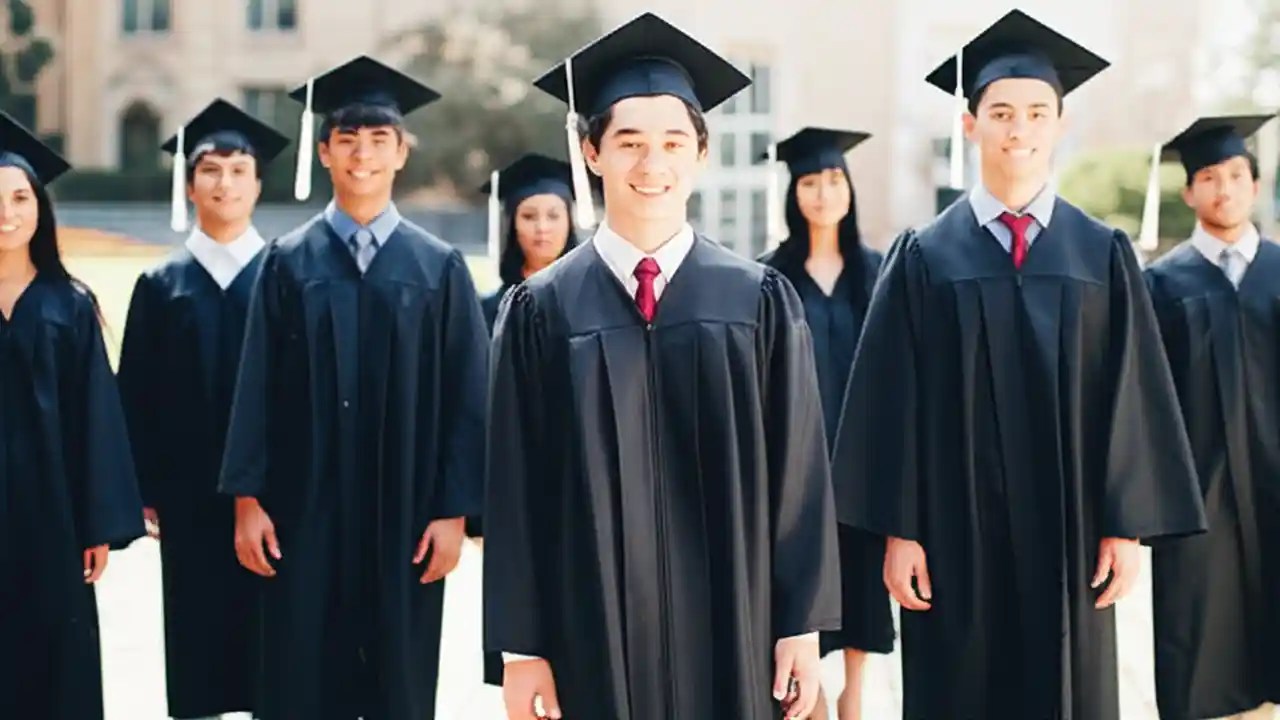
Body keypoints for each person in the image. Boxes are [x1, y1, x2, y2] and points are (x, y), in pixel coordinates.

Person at [831, 9, 1208, 719]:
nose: (1019, 128)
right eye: (1001, 112)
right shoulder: (924, 257)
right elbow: (889, 399)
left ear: (1060, 124)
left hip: (1070, 531)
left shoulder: (1101, 253)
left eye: (1037, 112)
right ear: (970, 124)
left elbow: (1133, 391)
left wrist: (1126, 526)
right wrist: (899, 530)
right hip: (950, 534)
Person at [484, 12, 840, 720]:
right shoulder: (539, 311)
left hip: (736, 623)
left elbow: (799, 471)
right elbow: (513, 485)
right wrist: (520, 651)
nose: (653, 164)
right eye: (630, 143)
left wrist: (802, 625)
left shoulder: (758, 298)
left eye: (674, 142)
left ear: (701, 154)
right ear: (591, 153)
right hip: (588, 627)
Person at [217, 55, 490, 720]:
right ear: (324, 151)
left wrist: (455, 512)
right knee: (300, 671)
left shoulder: (439, 267)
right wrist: (247, 501)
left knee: (397, 678)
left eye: (378, 140)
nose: (362, 155)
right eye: (348, 139)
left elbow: (468, 396)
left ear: (401, 151)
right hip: (304, 508)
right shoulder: (287, 264)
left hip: (407, 512)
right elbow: (255, 384)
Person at [117, 98, 290, 720]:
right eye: (210, 170)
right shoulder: (161, 284)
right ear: (189, 185)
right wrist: (141, 488)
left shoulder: (286, 275)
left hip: (276, 494)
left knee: (273, 645)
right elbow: (133, 391)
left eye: (239, 169)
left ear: (257, 183)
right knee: (195, 639)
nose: (225, 182)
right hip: (187, 495)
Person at [0, 111, 145, 719]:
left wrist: (97, 524)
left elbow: (96, 419)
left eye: (19, 197)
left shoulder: (70, 305)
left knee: (53, 658)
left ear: (40, 207)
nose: (6, 214)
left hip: (51, 517)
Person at [1144, 114, 1280, 720]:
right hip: (1200, 498)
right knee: (1201, 650)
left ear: (1255, 184)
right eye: (1208, 176)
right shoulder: (1160, 286)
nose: (1223, 188)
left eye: (1235, 174)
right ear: (1187, 193)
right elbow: (1144, 404)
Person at [759, 127, 891, 720]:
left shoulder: (879, 272)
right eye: (810, 182)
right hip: (799, 457)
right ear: (794, 195)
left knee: (861, 575)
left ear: (850, 190)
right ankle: (808, 694)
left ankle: (854, 694)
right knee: (806, 571)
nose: (822, 193)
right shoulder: (770, 277)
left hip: (862, 456)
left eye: (834, 180)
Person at [479, 153, 580, 331]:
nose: (542, 228)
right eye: (529, 216)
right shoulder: (488, 313)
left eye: (553, 216)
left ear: (569, 222)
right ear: (513, 225)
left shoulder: (593, 306)